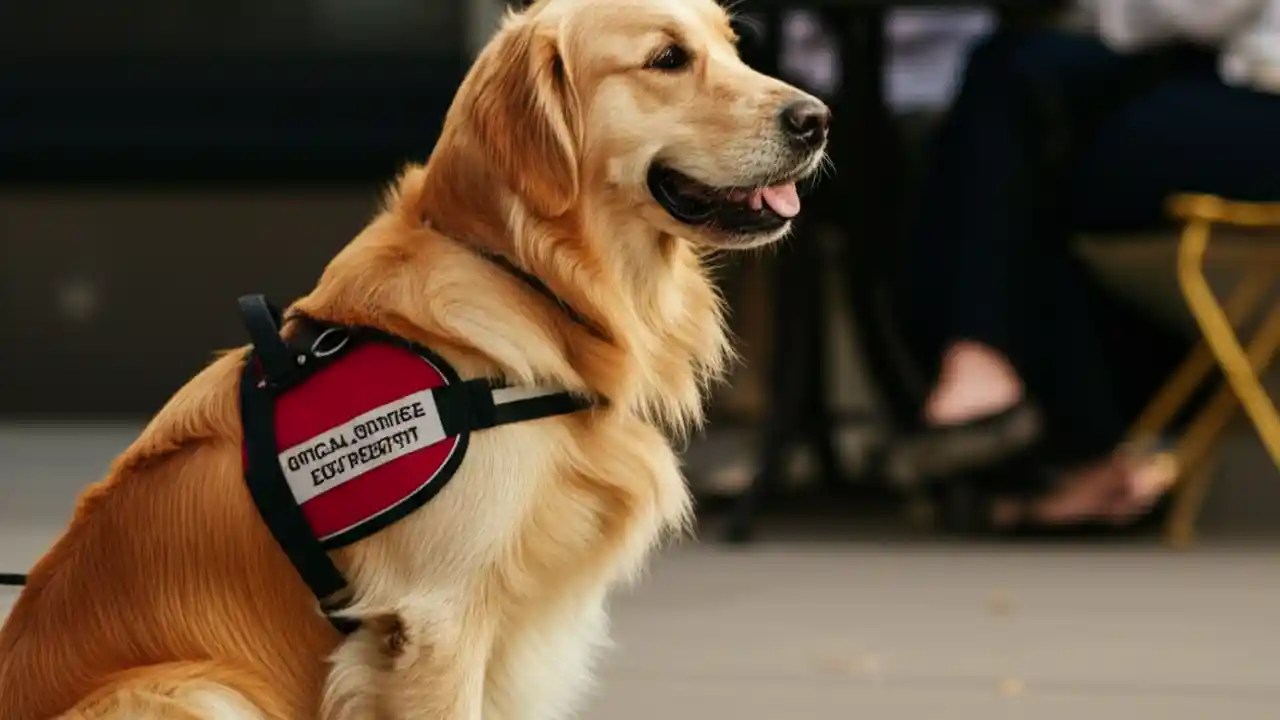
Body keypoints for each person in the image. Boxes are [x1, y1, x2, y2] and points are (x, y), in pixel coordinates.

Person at [896, 0, 1280, 530]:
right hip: (1218, 73)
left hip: (1258, 96)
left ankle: (1007, 389)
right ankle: (1034, 409)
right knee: (1006, 98)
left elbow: (1199, 11)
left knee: (1012, 151)